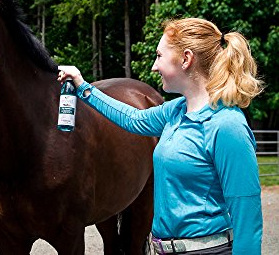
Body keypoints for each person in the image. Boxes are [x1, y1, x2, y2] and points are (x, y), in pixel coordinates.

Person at [58, 18, 263, 255]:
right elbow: (132, 119)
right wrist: (83, 86)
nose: (154, 67)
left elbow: (247, 217)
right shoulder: (176, 110)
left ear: (186, 59)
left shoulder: (227, 125)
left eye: (159, 56)